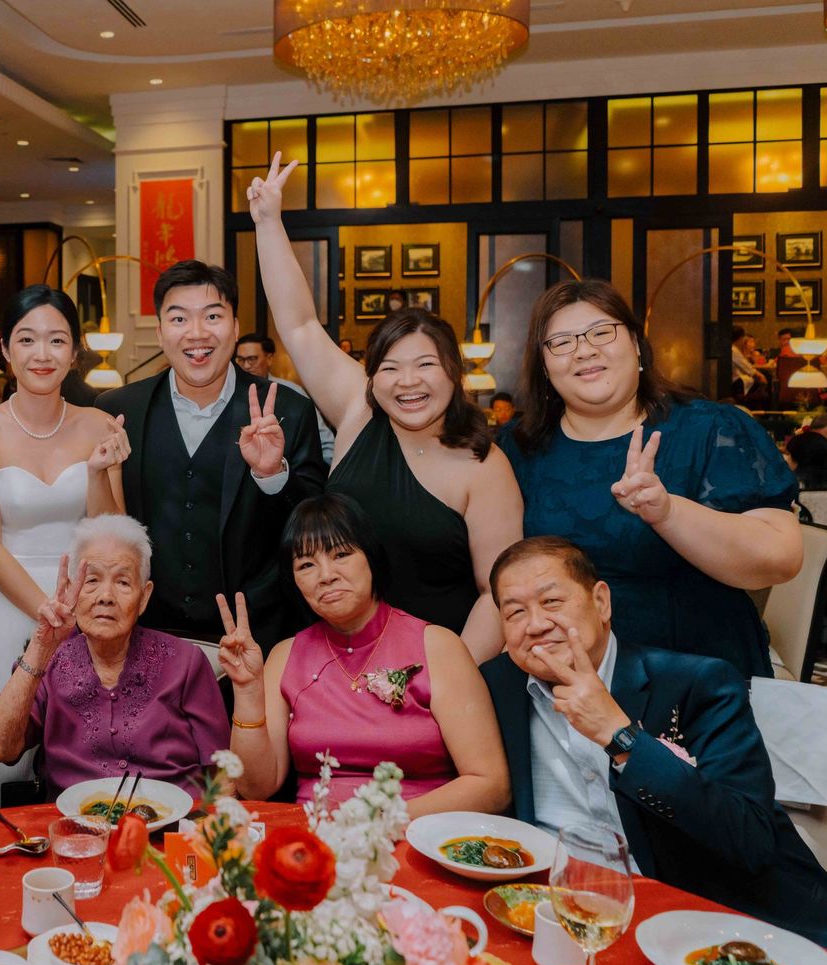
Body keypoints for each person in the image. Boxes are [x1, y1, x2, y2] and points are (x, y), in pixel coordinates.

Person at [481, 536, 827, 946]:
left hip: (716, 919)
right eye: (515, 612)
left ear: (601, 602)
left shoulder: (696, 684)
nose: (535, 624)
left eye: (552, 602)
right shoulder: (496, 686)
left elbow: (750, 840)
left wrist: (621, 736)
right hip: (561, 914)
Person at [249, 154, 522, 661]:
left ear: (454, 374)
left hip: (436, 666)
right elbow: (301, 325)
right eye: (391, 368)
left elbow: (497, 594)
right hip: (335, 653)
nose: (408, 382)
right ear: (371, 378)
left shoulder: (484, 467)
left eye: (426, 365)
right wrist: (268, 221)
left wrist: (440, 682)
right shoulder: (359, 409)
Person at [502, 279, 800, 679]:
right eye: (561, 342)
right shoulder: (519, 447)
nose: (585, 350)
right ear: (544, 365)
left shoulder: (709, 429)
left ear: (637, 346)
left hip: (694, 679)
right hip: (561, 680)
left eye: (602, 332)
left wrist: (669, 513)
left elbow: (780, 559)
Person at [0, 286, 128, 806]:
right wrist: (48, 616)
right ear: (6, 350)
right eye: (27, 340)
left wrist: (96, 474)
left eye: (56, 340)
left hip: (86, 599)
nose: (42, 354)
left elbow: (111, 531)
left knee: (83, 747)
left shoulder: (98, 424)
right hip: (4, 601)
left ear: (74, 352)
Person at [221, 494, 509, 812]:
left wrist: (378, 823)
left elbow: (491, 785)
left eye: (341, 554)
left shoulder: (438, 647)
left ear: (371, 557)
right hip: (314, 841)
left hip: (417, 836)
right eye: (306, 564)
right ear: (295, 582)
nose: (326, 574)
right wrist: (248, 691)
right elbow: (255, 787)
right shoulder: (286, 656)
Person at [97, 260, 328, 650]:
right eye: (179, 319)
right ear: (159, 331)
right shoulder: (119, 410)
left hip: (260, 633)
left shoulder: (287, 409)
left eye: (213, 316)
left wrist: (272, 473)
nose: (197, 333)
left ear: (235, 328)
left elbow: (313, 526)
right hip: (148, 631)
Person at [0, 515, 229, 798]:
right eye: (92, 581)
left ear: (144, 596)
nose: (106, 596)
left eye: (123, 582)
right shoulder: (50, 661)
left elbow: (221, 772)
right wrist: (40, 648)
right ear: (73, 590)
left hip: (169, 830)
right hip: (77, 833)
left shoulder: (186, 662)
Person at [234, 332, 335, 466]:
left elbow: (324, 442)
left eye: (252, 359)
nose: (246, 366)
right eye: (240, 360)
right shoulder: (229, 393)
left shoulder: (292, 393)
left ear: (269, 358)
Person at [729, 326, 768, 403]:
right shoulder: (733, 350)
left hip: (736, 380)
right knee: (764, 384)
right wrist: (760, 375)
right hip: (736, 382)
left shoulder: (733, 349)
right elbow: (746, 367)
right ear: (741, 338)